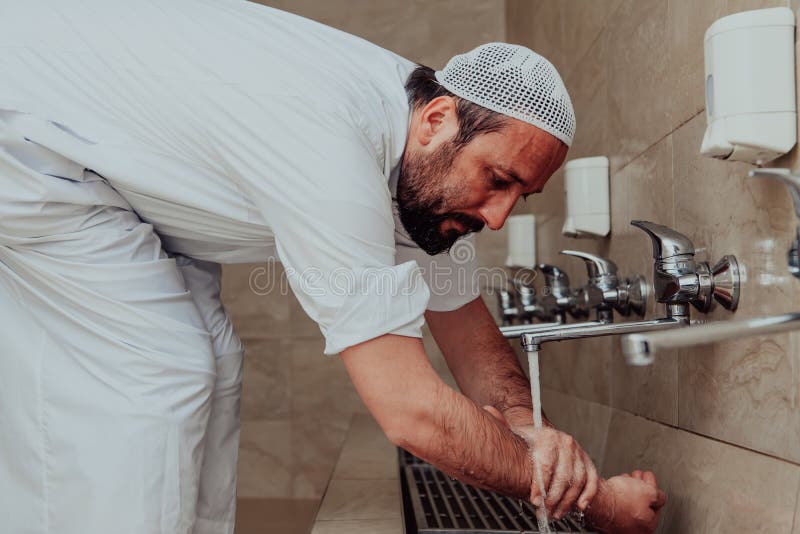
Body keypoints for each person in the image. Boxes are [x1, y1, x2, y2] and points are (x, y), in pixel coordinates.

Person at [0, 1, 665, 533]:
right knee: (157, 372)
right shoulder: (331, 147)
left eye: (520, 196)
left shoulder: (423, 156)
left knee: (215, 364)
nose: (497, 217)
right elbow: (411, 412)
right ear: (438, 119)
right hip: (27, 133)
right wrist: (597, 503)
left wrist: (527, 428)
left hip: (102, 160)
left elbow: (464, 326)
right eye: (498, 181)